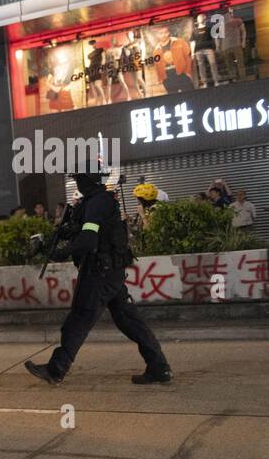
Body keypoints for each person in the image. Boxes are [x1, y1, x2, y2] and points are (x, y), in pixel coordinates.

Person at [25, 165, 171, 386]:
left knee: (79, 319)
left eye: (80, 179)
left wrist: (59, 253)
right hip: (110, 272)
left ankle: (56, 369)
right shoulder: (94, 201)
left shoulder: (98, 202)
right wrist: (60, 234)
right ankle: (159, 367)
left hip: (99, 272)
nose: (78, 183)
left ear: (89, 179)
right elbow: (83, 230)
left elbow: (88, 240)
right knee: (129, 321)